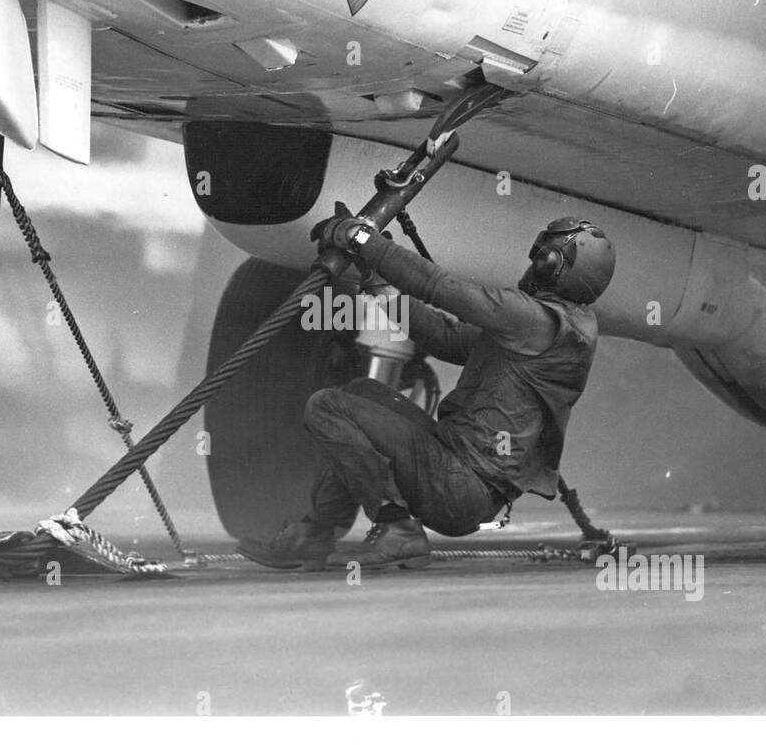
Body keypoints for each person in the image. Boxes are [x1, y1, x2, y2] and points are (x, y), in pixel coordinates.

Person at [237, 213, 615, 571]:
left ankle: (397, 529)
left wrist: (363, 240)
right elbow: (445, 338)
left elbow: (439, 287)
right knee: (363, 391)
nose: (533, 263)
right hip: (463, 477)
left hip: (461, 486)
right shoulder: (556, 326)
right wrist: (375, 281)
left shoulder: (533, 320)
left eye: (543, 256)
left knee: (326, 407)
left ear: (558, 268)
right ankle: (317, 533)